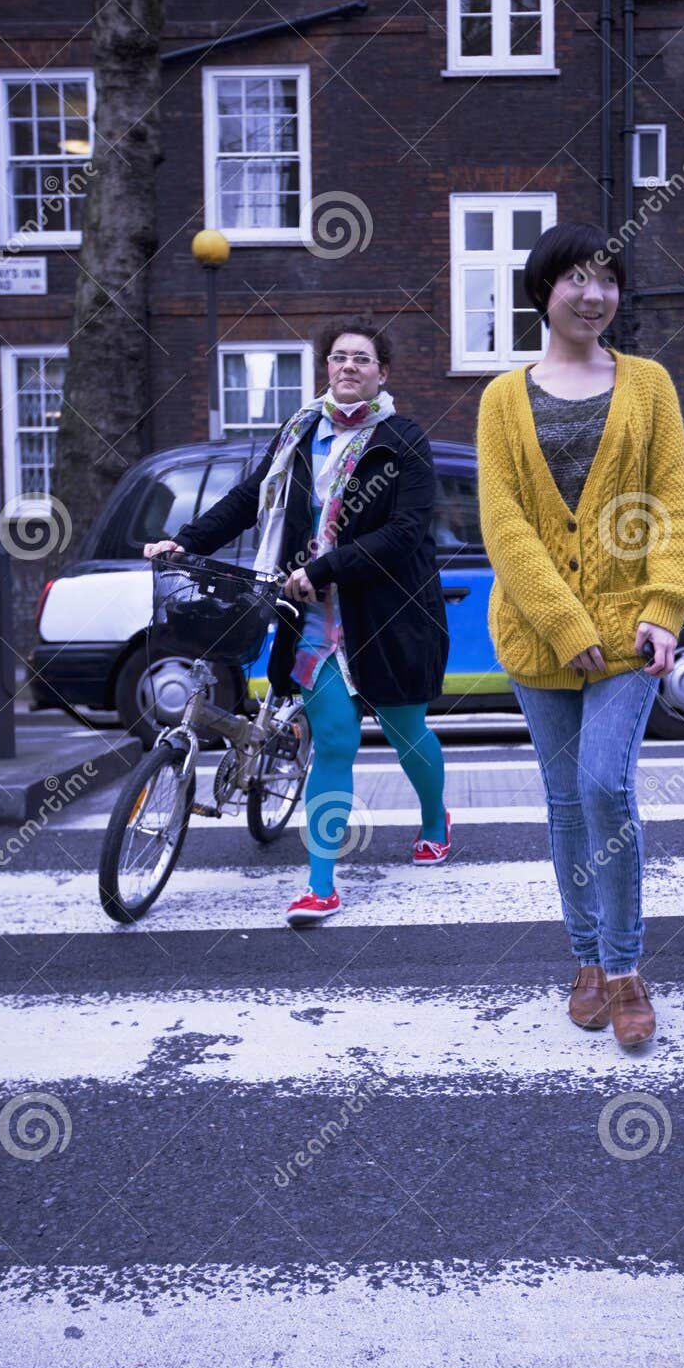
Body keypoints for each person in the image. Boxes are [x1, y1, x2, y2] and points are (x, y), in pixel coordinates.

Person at [144, 320, 451, 925]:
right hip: (310, 615)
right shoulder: (299, 433)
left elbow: (406, 532)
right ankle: (321, 885)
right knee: (334, 740)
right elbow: (249, 499)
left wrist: (329, 565)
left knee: (406, 732)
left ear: (382, 373)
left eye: (361, 359)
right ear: (326, 369)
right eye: (338, 358)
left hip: (385, 614)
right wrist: (185, 542)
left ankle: (435, 818)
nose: (347, 368)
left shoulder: (403, 439)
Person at [476, 224, 684, 1048]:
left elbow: (673, 502)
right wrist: (563, 623)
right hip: (538, 638)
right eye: (575, 278)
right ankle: (583, 960)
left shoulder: (648, 385)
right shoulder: (503, 397)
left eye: (606, 279)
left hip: (632, 633)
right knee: (566, 803)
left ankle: (626, 968)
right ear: (544, 290)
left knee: (606, 786)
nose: (593, 293)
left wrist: (665, 606)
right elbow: (503, 524)